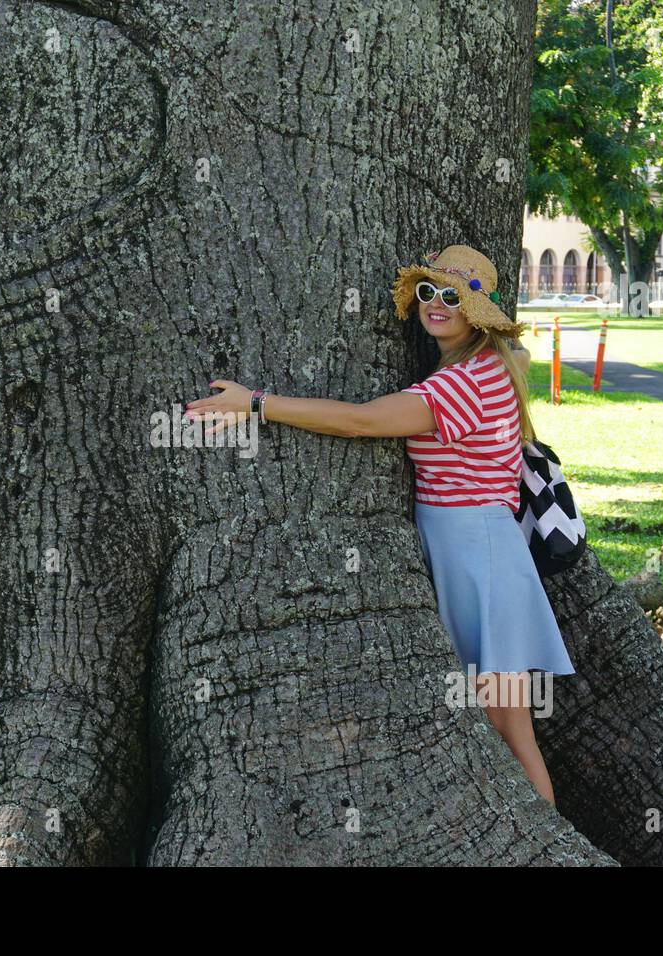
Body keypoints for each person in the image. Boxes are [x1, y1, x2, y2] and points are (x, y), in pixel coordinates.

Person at [184, 245, 574, 805]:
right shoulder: (484, 366)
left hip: (482, 563)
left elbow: (361, 421)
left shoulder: (465, 382)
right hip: (470, 552)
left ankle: (544, 844)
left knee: (508, 733)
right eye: (428, 292)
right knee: (499, 730)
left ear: (476, 312)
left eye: (452, 297)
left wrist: (259, 404)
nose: (436, 306)